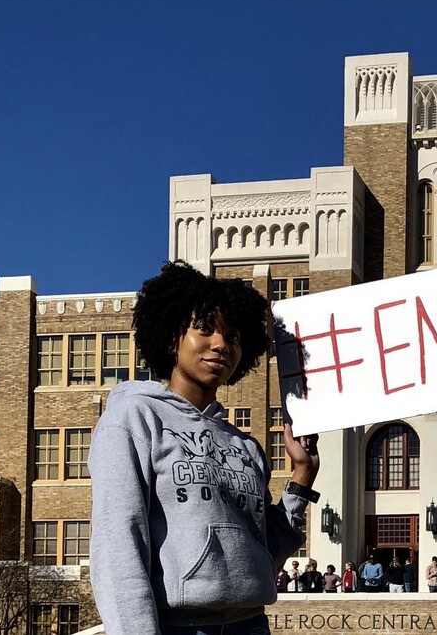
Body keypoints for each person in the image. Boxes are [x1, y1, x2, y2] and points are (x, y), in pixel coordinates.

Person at [89, 261, 321, 635]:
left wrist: (302, 475)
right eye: (204, 328)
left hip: (252, 625)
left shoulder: (244, 445)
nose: (220, 344)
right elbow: (120, 547)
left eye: (233, 336)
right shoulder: (134, 419)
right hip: (179, 627)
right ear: (171, 338)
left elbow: (261, 554)